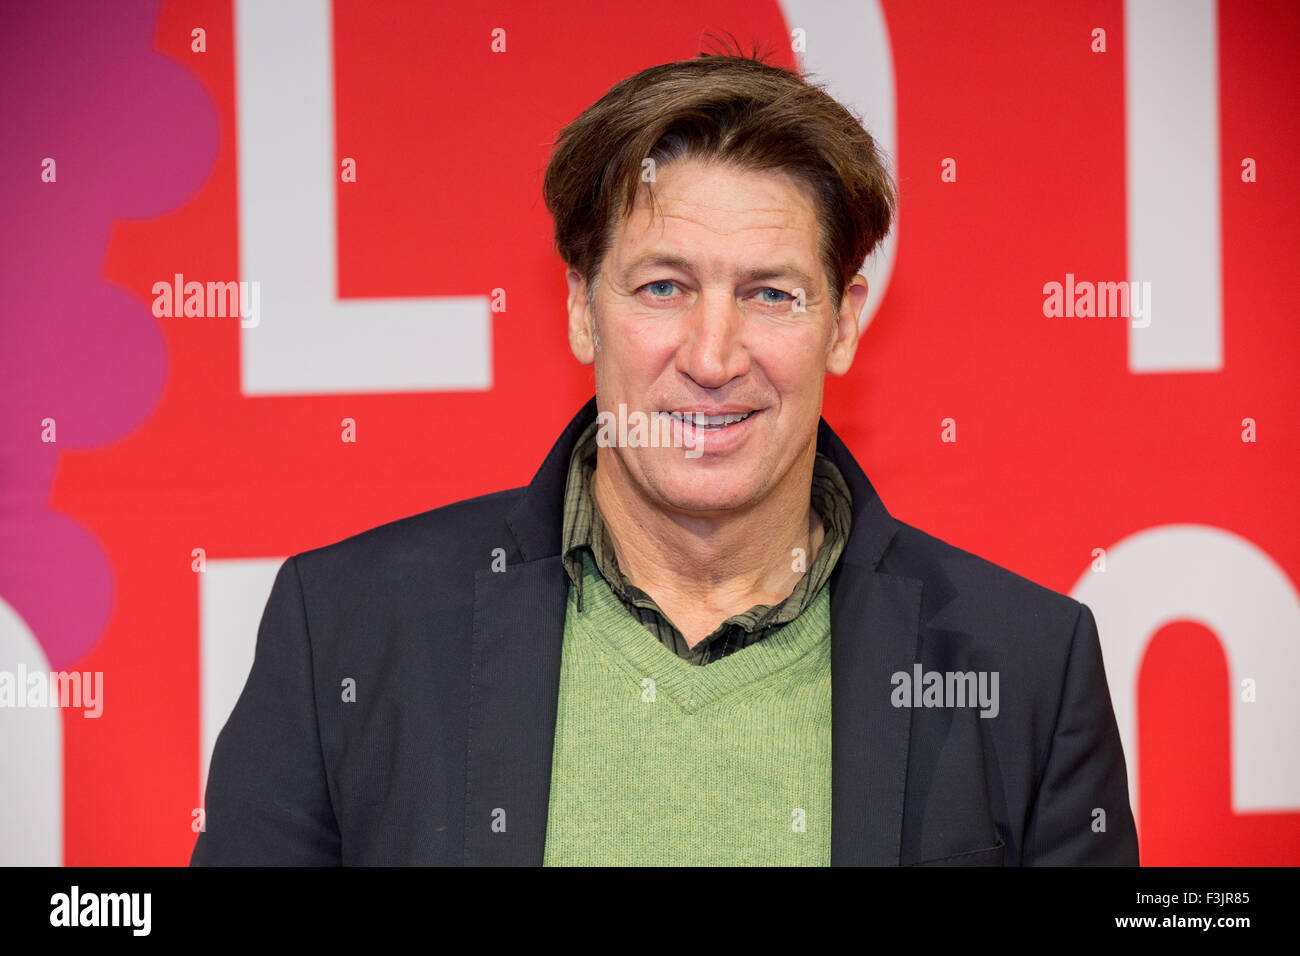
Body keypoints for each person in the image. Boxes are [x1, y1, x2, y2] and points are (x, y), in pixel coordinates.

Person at [192, 50, 1138, 866]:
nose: (714, 356)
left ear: (843, 324)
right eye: (662, 286)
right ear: (579, 306)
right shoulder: (350, 630)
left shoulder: (1026, 666)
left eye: (771, 295)